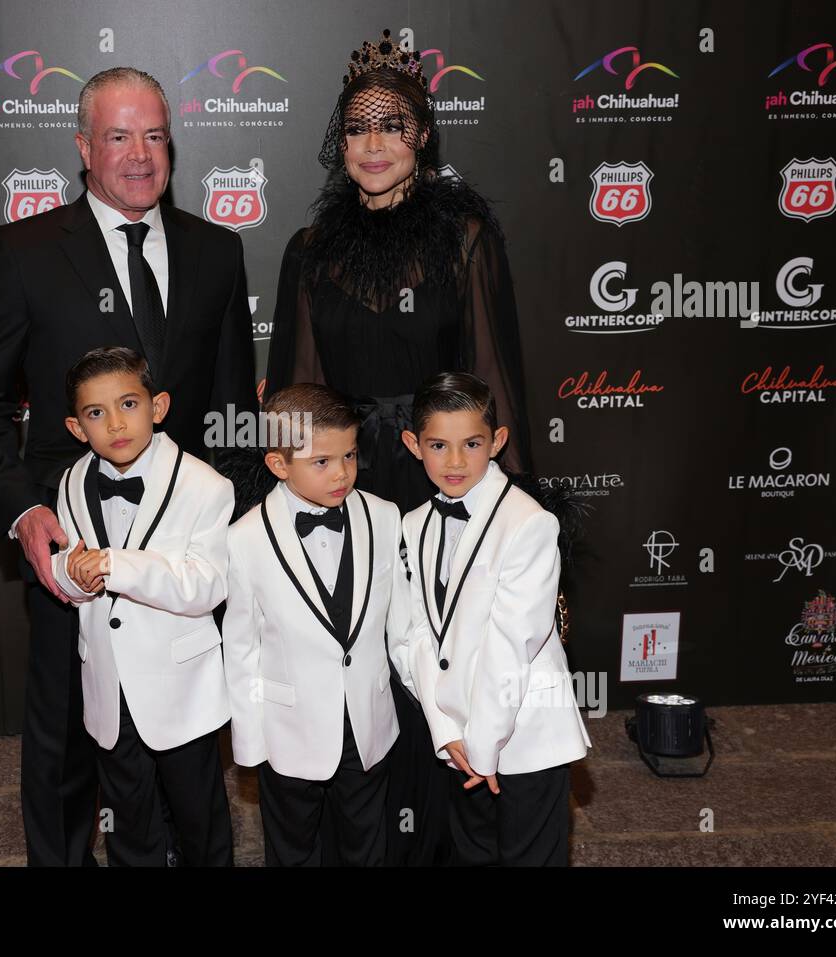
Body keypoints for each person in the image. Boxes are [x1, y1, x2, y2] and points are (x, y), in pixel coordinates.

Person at [0, 67, 256, 866]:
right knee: (64, 740)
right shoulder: (21, 253)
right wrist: (24, 511)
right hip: (69, 541)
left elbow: (229, 412)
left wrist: (238, 536)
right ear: (84, 147)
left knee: (185, 738)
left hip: (182, 545)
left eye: (154, 135)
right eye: (118, 136)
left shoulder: (218, 253)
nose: (139, 156)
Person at [264, 29, 534, 864]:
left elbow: (494, 383)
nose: (372, 145)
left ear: (422, 134)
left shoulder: (464, 239)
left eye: (392, 125)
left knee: (438, 676)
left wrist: (515, 516)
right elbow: (294, 399)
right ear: (337, 142)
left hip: (437, 482)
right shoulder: (309, 253)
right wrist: (278, 524)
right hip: (343, 490)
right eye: (356, 127)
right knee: (355, 679)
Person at [50, 347, 234, 866]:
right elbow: (70, 568)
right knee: (128, 818)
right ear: (75, 426)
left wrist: (117, 565)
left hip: (181, 687)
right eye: (95, 413)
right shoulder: (70, 482)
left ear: (158, 406)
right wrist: (75, 573)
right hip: (108, 684)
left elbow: (207, 585)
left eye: (128, 404)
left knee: (199, 814)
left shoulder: (206, 485)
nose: (115, 423)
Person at [401, 372, 591, 865]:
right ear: (413, 445)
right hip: (460, 739)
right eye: (439, 445)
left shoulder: (529, 523)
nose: (456, 461)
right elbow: (416, 634)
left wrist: (484, 746)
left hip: (525, 732)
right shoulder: (414, 524)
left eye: (472, 443)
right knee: (472, 854)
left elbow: (513, 642)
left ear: (498, 442)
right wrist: (446, 730)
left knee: (531, 857)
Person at [223, 384, 411, 865]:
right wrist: (249, 742)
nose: (342, 472)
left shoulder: (385, 517)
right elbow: (241, 647)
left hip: (368, 722)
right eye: (322, 462)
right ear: (278, 464)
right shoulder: (245, 538)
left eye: (349, 455)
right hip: (288, 730)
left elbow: (402, 628)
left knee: (367, 842)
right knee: (291, 847)